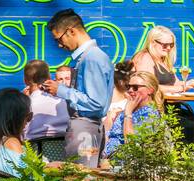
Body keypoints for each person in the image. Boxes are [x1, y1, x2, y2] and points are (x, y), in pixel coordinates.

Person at [39, 10, 113, 166]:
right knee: (84, 178)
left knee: (79, 180)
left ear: (71, 31)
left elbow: (96, 102)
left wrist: (61, 90)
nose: (59, 45)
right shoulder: (91, 57)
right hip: (87, 128)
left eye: (59, 39)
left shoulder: (92, 58)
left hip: (85, 130)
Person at [103, 71, 162, 159]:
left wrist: (128, 114)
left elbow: (132, 145)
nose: (130, 90)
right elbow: (109, 135)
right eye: (128, 86)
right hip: (108, 160)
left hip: (126, 165)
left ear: (150, 90)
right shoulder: (127, 110)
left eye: (135, 87)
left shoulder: (150, 115)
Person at [22, 60, 69, 140]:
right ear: (49, 78)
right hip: (66, 150)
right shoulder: (66, 102)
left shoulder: (24, 107)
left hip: (34, 151)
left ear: (25, 81)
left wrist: (23, 101)